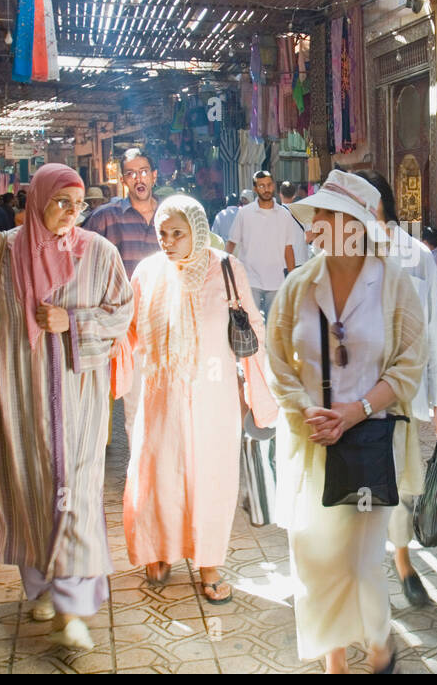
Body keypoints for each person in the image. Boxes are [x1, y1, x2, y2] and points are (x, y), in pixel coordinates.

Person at [0, 163, 133, 651]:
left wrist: (71, 322)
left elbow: (122, 313)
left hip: (80, 400)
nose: (73, 214)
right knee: (29, 490)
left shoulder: (99, 252)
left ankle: (74, 606)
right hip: (19, 395)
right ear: (37, 201)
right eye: (62, 203)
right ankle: (44, 588)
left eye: (80, 205)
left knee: (75, 491)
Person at [266, 170, 427, 673]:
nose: (317, 229)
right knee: (314, 555)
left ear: (356, 226)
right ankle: (334, 662)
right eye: (317, 220)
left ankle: (379, 644)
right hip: (311, 444)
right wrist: (303, 408)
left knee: (359, 561)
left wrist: (356, 410)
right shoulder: (299, 287)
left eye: (329, 219)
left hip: (370, 442)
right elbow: (276, 362)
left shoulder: (394, 285)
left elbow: (410, 364)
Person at [123, 196, 278, 602]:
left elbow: (253, 330)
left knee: (211, 479)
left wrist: (258, 392)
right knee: (160, 475)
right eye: (163, 234)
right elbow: (128, 330)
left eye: (178, 233)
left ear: (197, 229)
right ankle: (159, 551)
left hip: (215, 395)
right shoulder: (147, 272)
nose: (169, 242)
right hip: (161, 396)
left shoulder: (226, 268)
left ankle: (209, 564)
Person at [357, 170, 437, 608]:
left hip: (401, 394)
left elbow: (435, 328)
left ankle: (402, 561)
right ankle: (364, 570)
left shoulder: (415, 255)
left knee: (400, 485)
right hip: (353, 394)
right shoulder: (344, 254)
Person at [226, 170, 298, 320]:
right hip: (250, 278)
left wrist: (292, 279)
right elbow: (231, 243)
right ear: (255, 188)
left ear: (274, 186)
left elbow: (288, 248)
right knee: (251, 323)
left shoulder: (284, 215)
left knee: (273, 326)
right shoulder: (244, 214)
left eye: (269, 185)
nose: (266, 189)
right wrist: (226, 272)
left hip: (276, 280)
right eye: (261, 186)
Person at [83, 148, 161, 278]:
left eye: (144, 172)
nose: (138, 179)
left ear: (154, 176)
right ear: (122, 180)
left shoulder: (169, 215)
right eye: (130, 174)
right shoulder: (104, 217)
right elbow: (79, 257)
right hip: (119, 298)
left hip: (161, 297)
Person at [281, 180, 310, 267]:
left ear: (280, 194)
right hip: (301, 260)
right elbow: (310, 235)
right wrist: (300, 243)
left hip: (282, 262)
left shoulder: (274, 213)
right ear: (294, 195)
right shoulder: (303, 211)